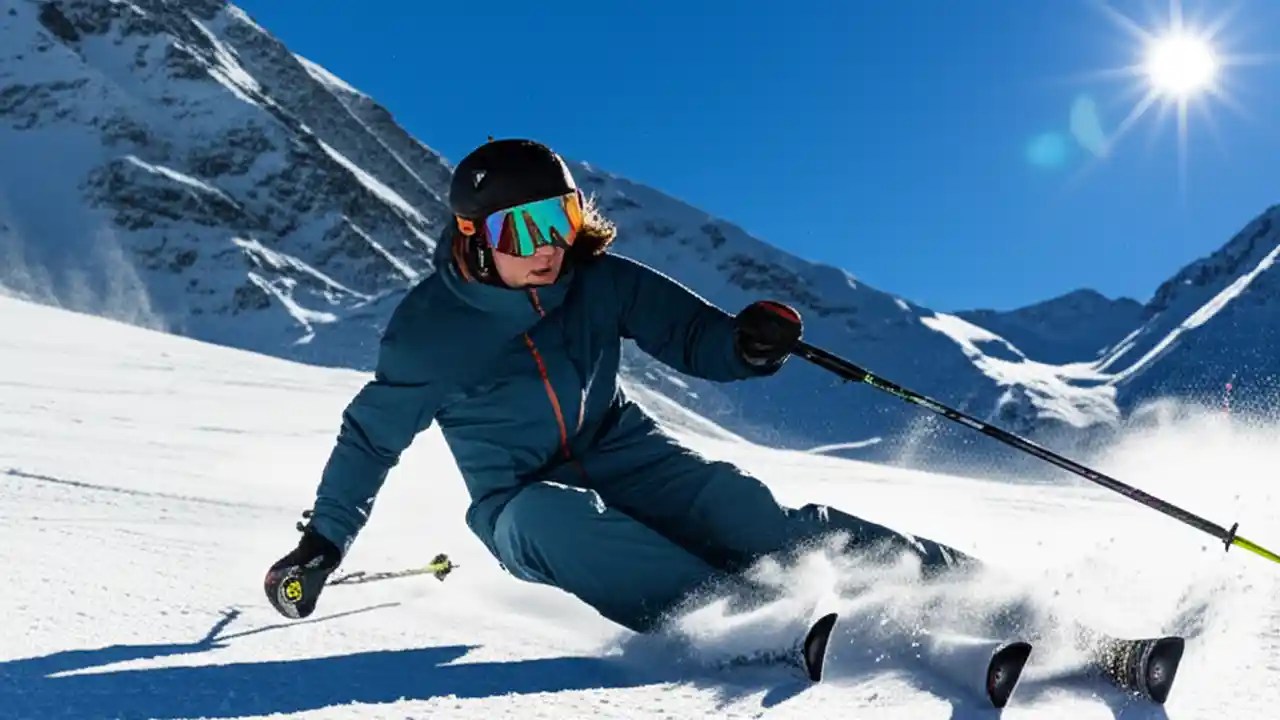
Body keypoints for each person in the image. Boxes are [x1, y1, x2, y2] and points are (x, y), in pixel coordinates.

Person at [264, 138, 970, 634]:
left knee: (747, 515)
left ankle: (962, 587)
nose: (547, 246)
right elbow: (370, 439)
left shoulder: (596, 281)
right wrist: (323, 544)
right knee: (558, 520)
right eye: (524, 229)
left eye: (561, 220)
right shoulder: (430, 330)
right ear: (476, 236)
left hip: (629, 452)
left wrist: (747, 345)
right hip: (521, 499)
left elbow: (695, 336)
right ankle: (747, 623)